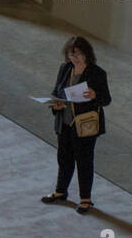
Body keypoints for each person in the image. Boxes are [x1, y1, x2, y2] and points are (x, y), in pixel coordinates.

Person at [39, 35, 112, 215]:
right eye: (71, 55)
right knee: (64, 159)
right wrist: (55, 104)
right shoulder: (65, 69)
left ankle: (85, 199)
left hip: (84, 125)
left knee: (84, 161)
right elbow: (57, 90)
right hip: (65, 122)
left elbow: (106, 99)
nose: (74, 58)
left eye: (77, 55)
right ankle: (60, 191)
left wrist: (94, 94)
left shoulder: (97, 73)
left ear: (87, 54)